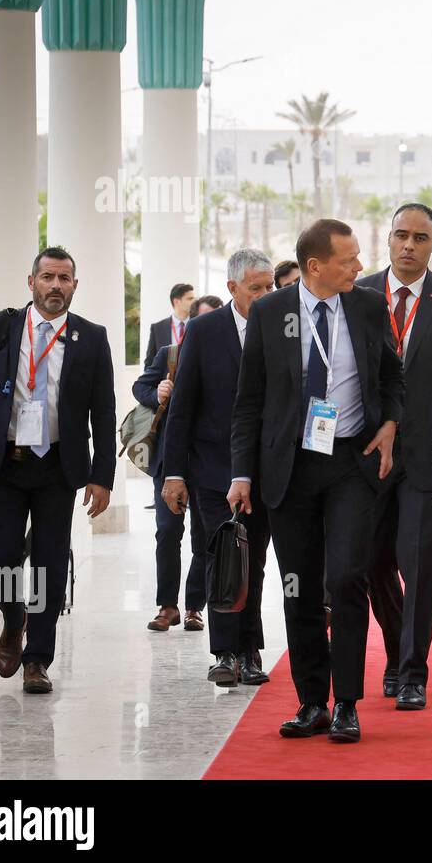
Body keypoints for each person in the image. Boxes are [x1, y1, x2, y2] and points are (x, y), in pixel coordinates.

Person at [229, 219, 404, 744]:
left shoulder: (369, 306)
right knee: (298, 587)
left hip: (351, 463)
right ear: (314, 267)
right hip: (290, 469)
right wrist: (242, 472)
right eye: (348, 259)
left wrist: (392, 424)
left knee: (347, 579)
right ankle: (312, 702)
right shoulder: (269, 313)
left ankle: (348, 702)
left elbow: (393, 376)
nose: (359, 265)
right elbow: (249, 402)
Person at [0, 246, 115, 694]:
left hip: (57, 467)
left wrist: (102, 476)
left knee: (48, 563)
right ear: (31, 282)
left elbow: (103, 411)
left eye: (64, 279)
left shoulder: (92, 337)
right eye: (47, 277)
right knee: (0, 556)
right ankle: (14, 617)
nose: (55, 286)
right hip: (6, 464)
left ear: (75, 286)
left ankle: (38, 659)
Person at [355, 204, 432, 710]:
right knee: (370, 562)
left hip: (428, 456)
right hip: (363, 454)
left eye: (419, 238)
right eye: (400, 235)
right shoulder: (355, 295)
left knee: (421, 565)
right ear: (388, 240)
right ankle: (398, 646)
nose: (408, 245)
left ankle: (412, 670)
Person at [162, 252, 276, 688]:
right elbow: (183, 406)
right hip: (212, 469)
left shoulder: (283, 326)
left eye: (270, 287)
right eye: (256, 288)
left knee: (256, 561)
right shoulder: (203, 331)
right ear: (232, 289)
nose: (265, 296)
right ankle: (225, 652)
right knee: (223, 556)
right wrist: (174, 472)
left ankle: (250, 651)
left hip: (266, 469)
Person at [134, 294, 222, 634]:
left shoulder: (230, 357)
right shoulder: (170, 353)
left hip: (207, 462)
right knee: (168, 532)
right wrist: (158, 391)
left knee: (204, 538)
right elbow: (140, 386)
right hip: (170, 459)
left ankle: (193, 607)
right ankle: (167, 605)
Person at [144, 282, 195, 368]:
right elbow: (150, 362)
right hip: (166, 379)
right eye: (190, 299)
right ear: (176, 302)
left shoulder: (197, 325)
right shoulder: (157, 328)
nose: (194, 302)